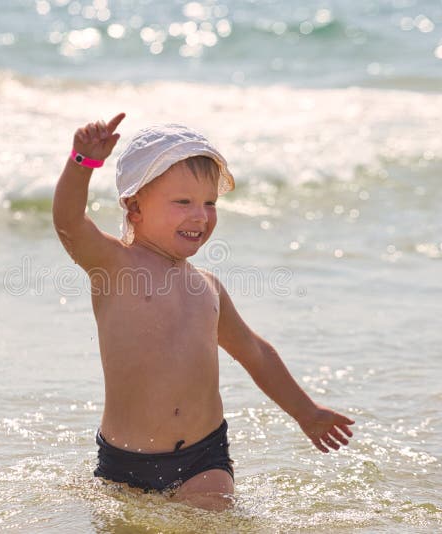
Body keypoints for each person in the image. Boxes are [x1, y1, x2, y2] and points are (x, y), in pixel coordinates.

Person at [52, 113, 355, 511]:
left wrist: (306, 411)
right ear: (134, 206)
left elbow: (253, 351)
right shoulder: (114, 267)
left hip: (203, 456)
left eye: (209, 203)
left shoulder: (207, 287)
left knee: (213, 516)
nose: (201, 215)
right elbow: (69, 222)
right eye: (183, 202)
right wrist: (83, 161)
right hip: (124, 463)